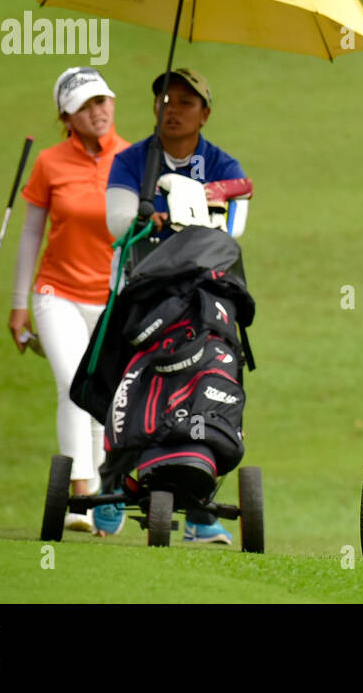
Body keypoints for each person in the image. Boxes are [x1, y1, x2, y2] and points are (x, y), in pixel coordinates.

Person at [102, 67, 246, 544]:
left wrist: (185, 215)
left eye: (186, 102)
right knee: (127, 382)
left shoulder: (224, 165)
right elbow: (117, 223)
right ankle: (115, 481)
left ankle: (198, 502)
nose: (173, 109)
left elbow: (232, 229)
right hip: (139, 293)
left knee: (203, 378)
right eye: (165, 99)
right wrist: (150, 213)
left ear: (205, 113)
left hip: (202, 296)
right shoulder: (131, 160)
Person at [8, 67, 129, 533]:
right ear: (66, 116)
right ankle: (82, 492)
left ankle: (102, 499)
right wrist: (19, 304)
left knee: (107, 396)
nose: (96, 112)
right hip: (56, 293)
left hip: (114, 298)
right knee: (73, 384)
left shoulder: (136, 159)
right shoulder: (51, 163)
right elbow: (31, 233)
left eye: (101, 101)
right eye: (84, 106)